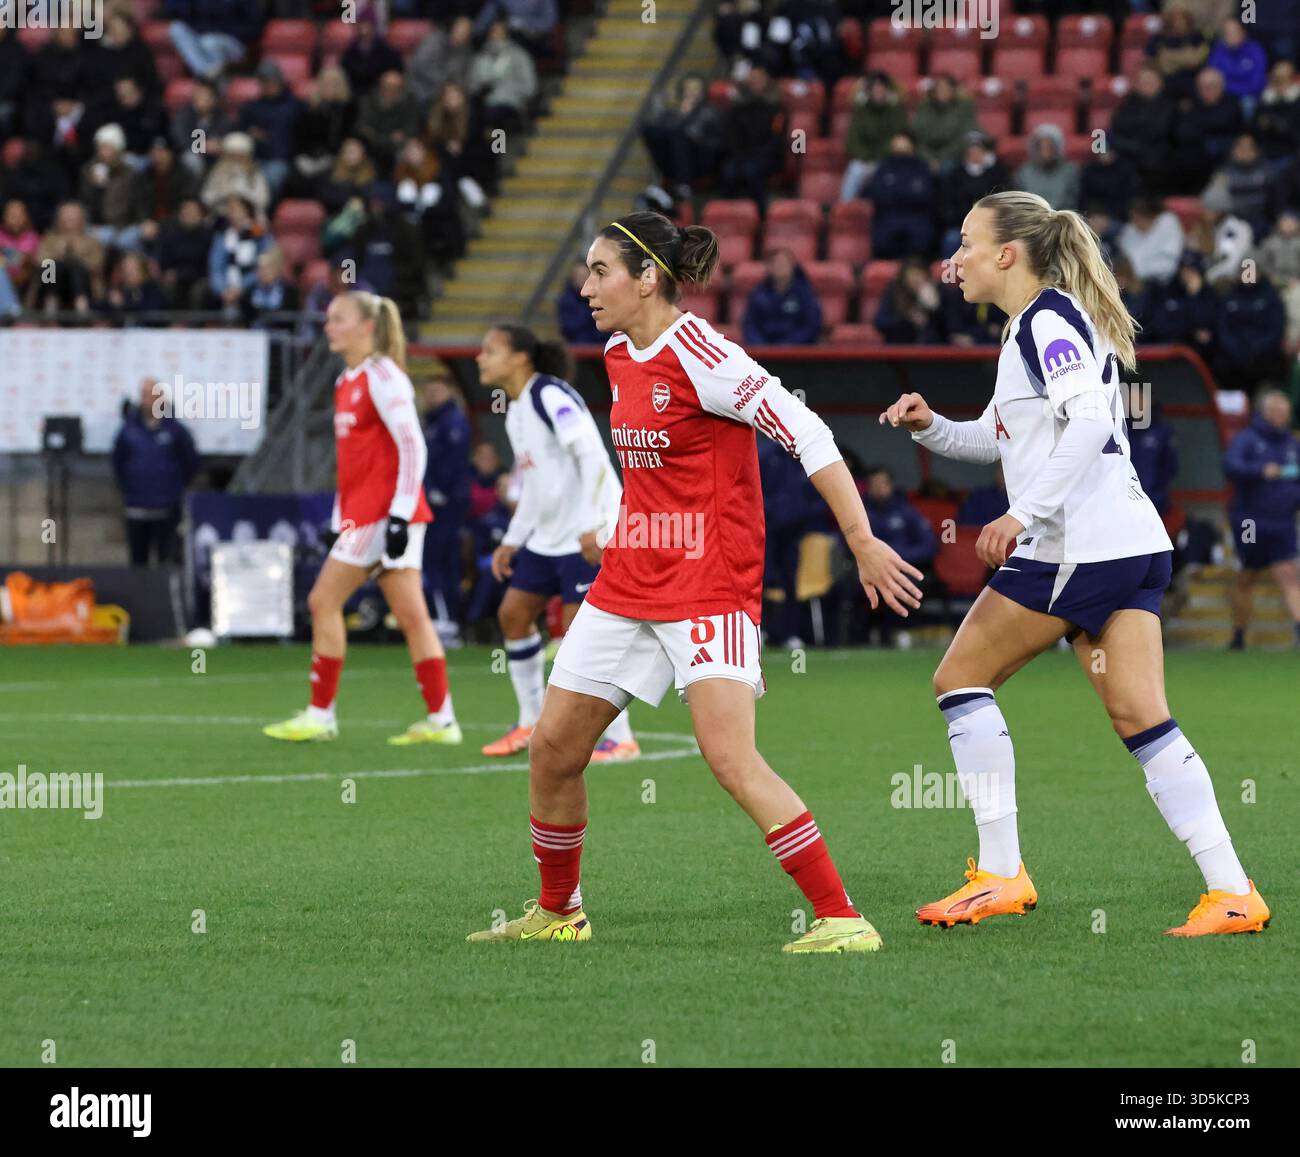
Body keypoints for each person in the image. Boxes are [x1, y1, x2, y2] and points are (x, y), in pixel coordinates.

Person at [467, 210, 922, 953]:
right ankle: (559, 912)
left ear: (649, 278)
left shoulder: (707, 355)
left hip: (710, 584)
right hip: (627, 582)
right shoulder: (617, 351)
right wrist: (619, 527)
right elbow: (657, 475)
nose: (585, 286)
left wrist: (862, 539)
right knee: (553, 747)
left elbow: (806, 433)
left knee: (730, 758)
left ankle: (844, 919)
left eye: (601, 271)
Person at [880, 190, 1269, 936]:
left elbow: (1088, 422)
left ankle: (1000, 872)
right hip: (1128, 544)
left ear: (1006, 253)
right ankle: (1231, 891)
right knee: (1142, 718)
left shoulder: (1047, 321)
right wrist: (931, 427)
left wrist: (1022, 514)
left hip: (1076, 547)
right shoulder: (1037, 326)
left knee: (959, 679)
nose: (952, 258)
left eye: (965, 242)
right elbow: (1001, 438)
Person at [263, 292, 462, 747]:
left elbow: (413, 445)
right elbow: (353, 462)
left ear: (366, 327)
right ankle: (442, 719)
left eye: (338, 319)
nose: (328, 326)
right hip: (371, 513)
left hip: (382, 513)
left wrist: (397, 515)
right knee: (412, 615)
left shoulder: (382, 376)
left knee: (322, 601)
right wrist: (339, 517)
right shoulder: (346, 380)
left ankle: (320, 713)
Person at [474, 324, 639, 763]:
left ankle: (620, 737)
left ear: (520, 357)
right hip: (548, 539)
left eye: (490, 349)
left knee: (580, 638)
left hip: (584, 535)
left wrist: (599, 524)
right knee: (513, 614)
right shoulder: (516, 411)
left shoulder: (550, 395)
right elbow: (535, 485)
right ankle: (530, 720)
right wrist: (512, 540)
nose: (480, 357)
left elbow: (593, 455)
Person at [1223, 389, 1300, 649]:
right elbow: (1231, 466)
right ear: (1265, 413)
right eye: (1278, 412)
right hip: (1250, 521)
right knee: (1248, 572)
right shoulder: (1247, 439)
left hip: (1283, 521)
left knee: (1288, 572)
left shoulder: (1292, 444)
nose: (1282, 417)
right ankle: (1239, 632)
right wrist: (1259, 470)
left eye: (1285, 413)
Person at [112, 377, 200, 566]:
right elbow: (118, 463)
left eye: (150, 394)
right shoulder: (128, 431)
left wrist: (174, 488)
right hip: (136, 507)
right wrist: (129, 487)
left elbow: (190, 463)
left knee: (166, 562)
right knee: (137, 563)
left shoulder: (176, 431)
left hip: (166, 510)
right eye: (143, 394)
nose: (146, 399)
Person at [420, 375, 473, 640]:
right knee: (442, 561)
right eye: (428, 390)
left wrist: (440, 491)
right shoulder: (435, 421)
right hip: (440, 502)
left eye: (437, 389)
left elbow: (452, 463)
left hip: (446, 505)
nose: (431, 395)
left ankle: (445, 620)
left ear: (450, 391)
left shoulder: (452, 421)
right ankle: (446, 617)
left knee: (438, 560)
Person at [740, 248, 823, 346]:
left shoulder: (805, 292)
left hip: (797, 352)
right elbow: (750, 325)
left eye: (784, 263)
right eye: (776, 263)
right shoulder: (758, 293)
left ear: (792, 266)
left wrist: (787, 345)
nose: (780, 267)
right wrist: (760, 346)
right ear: (769, 267)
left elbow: (811, 326)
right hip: (763, 350)